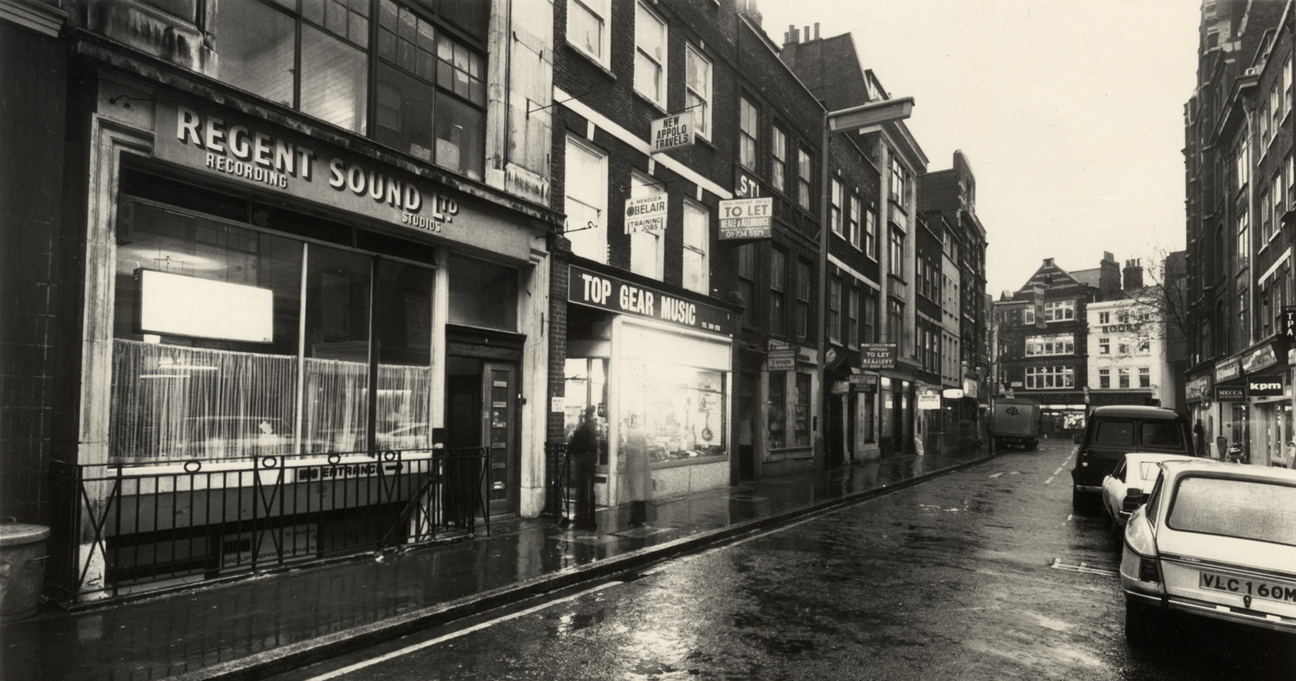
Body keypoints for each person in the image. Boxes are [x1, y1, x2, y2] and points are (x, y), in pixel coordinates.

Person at [567, 405, 600, 530]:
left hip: (579, 459)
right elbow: (593, 445)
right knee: (589, 490)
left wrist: (575, 452)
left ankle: (579, 518)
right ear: (591, 415)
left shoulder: (579, 426)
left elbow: (571, 442)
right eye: (594, 415)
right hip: (588, 460)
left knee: (580, 489)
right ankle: (590, 520)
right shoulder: (591, 428)